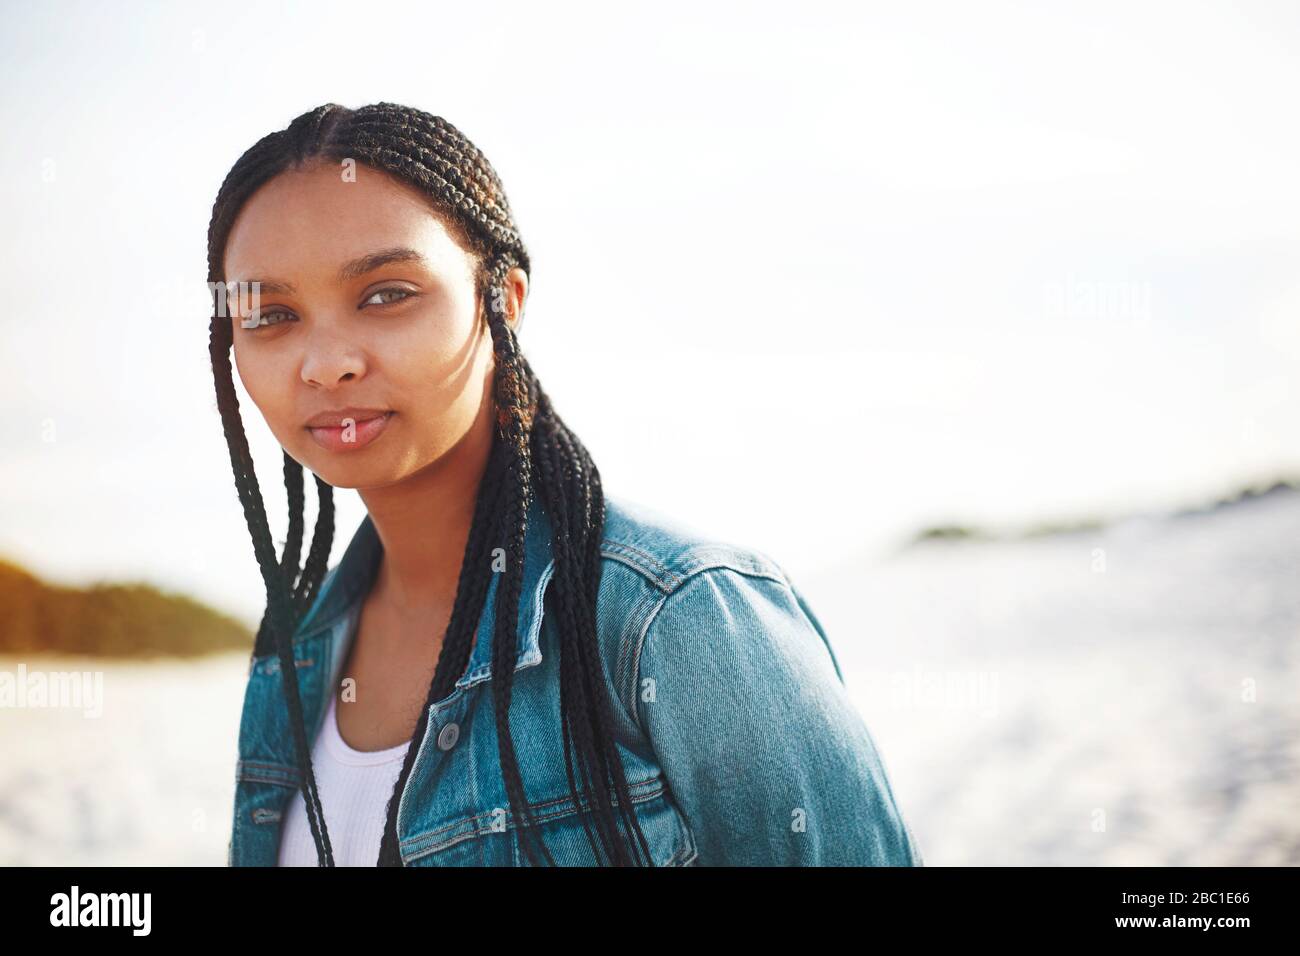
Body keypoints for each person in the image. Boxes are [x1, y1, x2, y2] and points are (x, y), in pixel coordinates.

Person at [209, 102, 922, 867]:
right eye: (272, 314)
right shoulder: (296, 654)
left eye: (386, 294)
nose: (326, 363)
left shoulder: (675, 618)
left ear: (503, 299)